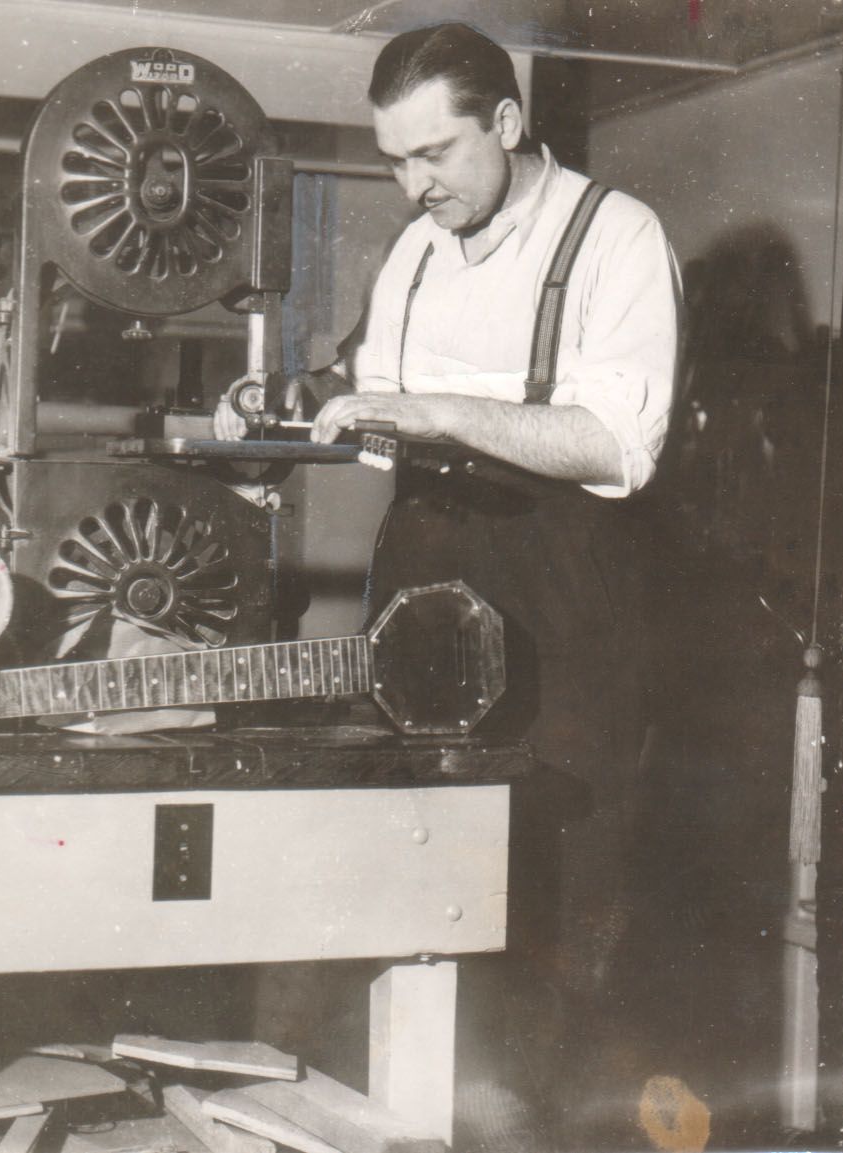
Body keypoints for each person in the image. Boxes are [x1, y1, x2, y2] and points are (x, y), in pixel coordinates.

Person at [216, 21, 680, 1147]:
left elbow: (620, 443)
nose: (412, 184)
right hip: (422, 573)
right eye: (394, 160)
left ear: (508, 125)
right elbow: (367, 401)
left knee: (552, 912)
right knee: (406, 871)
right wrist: (271, 427)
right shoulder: (417, 251)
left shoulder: (614, 237)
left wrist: (426, 412)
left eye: (435, 154)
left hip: (562, 589)